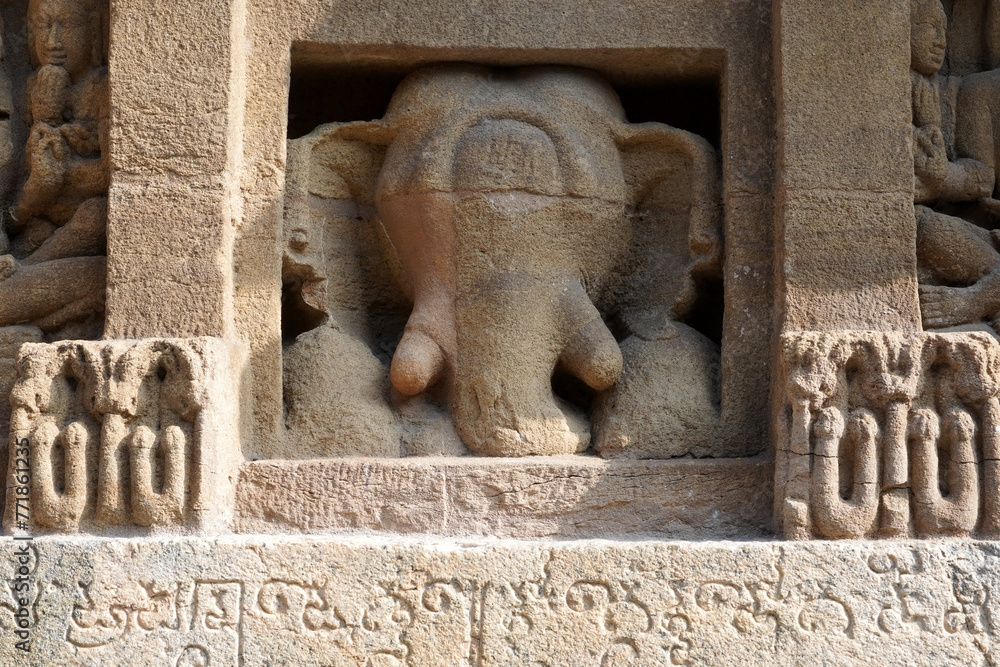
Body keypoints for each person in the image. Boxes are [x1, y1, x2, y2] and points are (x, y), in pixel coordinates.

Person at [0, 0, 108, 332]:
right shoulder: (30, 90)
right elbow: (25, 193)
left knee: (96, 214)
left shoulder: (102, 88)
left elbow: (113, 172)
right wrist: (35, 193)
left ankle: (24, 269)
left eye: (67, 26)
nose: (53, 41)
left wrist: (62, 174)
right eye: (42, 27)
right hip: (41, 227)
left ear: (94, 33)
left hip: (74, 221)